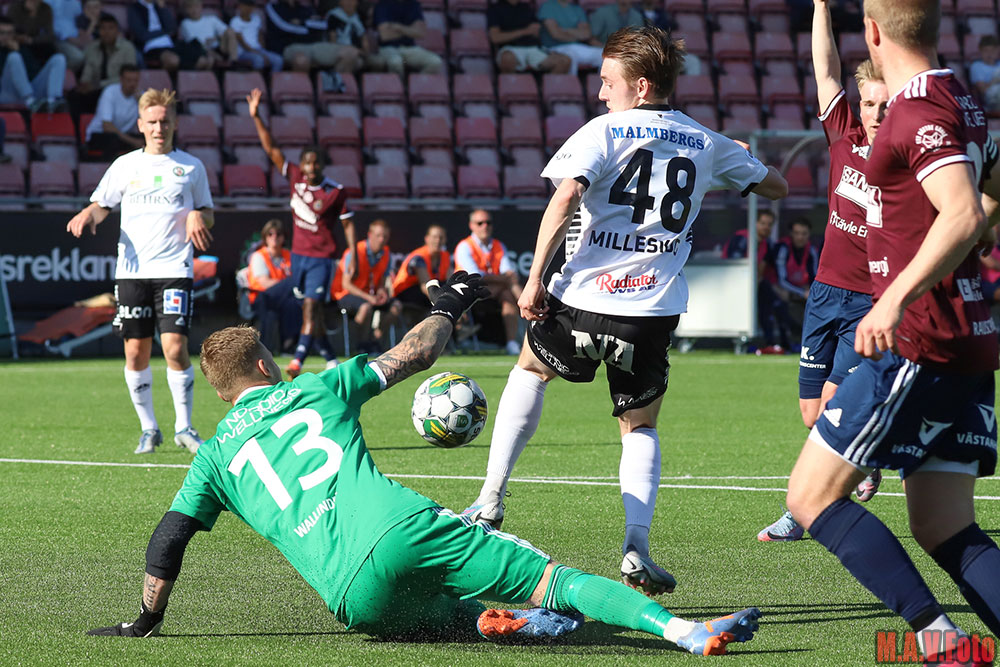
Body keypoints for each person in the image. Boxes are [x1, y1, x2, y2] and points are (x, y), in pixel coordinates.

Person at [85, 275, 761, 656]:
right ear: (263, 366)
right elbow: (415, 353)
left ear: (221, 392)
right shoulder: (315, 386)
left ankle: (490, 622)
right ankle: (683, 631)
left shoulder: (213, 457)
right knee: (554, 578)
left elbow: (168, 539)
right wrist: (448, 304)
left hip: (349, 595)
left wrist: (145, 620)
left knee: (421, 614)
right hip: (400, 527)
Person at [462, 25, 788, 597]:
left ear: (640, 86)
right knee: (639, 426)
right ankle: (636, 547)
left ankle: (489, 500)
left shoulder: (603, 130)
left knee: (531, 372)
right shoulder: (705, 140)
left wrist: (535, 278)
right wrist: (736, 159)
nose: (600, 93)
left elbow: (566, 195)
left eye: (607, 81)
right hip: (650, 313)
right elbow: (778, 187)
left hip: (582, 299)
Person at [785, 0, 1000, 661]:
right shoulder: (961, 98)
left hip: (919, 338)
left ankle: (940, 643)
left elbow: (962, 212)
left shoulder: (915, 110)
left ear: (873, 32)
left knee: (810, 498)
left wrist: (894, 299)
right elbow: (989, 189)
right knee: (944, 525)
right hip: (965, 335)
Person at [758, 0, 889, 543]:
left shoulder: (907, 160)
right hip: (825, 294)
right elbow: (826, 68)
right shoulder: (843, 135)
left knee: (833, 406)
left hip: (868, 302)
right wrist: (819, 5)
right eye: (868, 103)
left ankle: (804, 508)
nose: (875, 112)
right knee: (811, 412)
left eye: (885, 104)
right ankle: (869, 452)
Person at [66, 87, 215, 456]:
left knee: (175, 348)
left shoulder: (191, 167)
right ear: (140, 125)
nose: (159, 128)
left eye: (165, 121)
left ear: (174, 123)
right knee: (136, 352)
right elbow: (102, 204)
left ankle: (184, 427)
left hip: (174, 269)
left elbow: (207, 212)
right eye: (152, 122)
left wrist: (198, 215)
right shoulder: (125, 165)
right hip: (132, 272)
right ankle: (149, 429)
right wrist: (87, 214)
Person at [247, 87, 357, 379]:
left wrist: (353, 256)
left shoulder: (335, 191)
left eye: (315, 162)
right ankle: (331, 360)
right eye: (306, 162)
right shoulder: (295, 178)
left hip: (322, 258)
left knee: (310, 306)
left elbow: (348, 224)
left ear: (322, 165)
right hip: (298, 257)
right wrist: (256, 116)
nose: (310, 167)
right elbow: (272, 150)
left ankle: (297, 360)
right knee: (311, 311)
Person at [454, 209, 523, 356]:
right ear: (471, 225)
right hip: (469, 294)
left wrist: (504, 278)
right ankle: (527, 305)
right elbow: (474, 276)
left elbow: (508, 271)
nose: (485, 226)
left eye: (488, 222)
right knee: (509, 286)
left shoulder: (498, 245)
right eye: (480, 223)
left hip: (494, 292)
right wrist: (503, 278)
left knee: (507, 294)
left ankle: (511, 342)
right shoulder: (464, 246)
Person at [722, 210, 790, 355]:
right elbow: (734, 265)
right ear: (755, 223)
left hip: (755, 286)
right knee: (767, 297)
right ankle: (766, 342)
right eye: (763, 223)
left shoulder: (767, 244)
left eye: (770, 224)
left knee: (776, 301)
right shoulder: (742, 239)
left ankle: (776, 343)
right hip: (732, 284)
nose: (766, 227)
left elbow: (765, 270)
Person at [332, 218, 401, 354]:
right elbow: (346, 284)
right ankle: (359, 345)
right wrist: (369, 297)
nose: (381, 240)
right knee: (366, 308)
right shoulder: (355, 252)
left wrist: (381, 292)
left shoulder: (386, 253)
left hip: (369, 295)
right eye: (378, 235)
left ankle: (375, 340)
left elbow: (382, 281)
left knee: (396, 306)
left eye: (385, 236)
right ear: (370, 235)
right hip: (345, 294)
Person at [247, 218, 301, 354]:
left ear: (283, 237)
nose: (274, 237)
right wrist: (288, 283)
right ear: (265, 237)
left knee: (292, 304)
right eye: (270, 234)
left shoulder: (288, 255)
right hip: (262, 297)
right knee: (295, 281)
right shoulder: (259, 256)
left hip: (283, 298)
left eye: (278, 234)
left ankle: (288, 346)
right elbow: (264, 282)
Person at [0, 15, 67, 112]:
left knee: (59, 58)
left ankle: (54, 101)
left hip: (31, 92)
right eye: (2, 33)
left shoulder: (20, 47)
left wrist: (18, 50)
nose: (6, 37)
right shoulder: (14, 53)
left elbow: (34, 72)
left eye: (10, 33)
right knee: (14, 57)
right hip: (7, 93)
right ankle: (29, 100)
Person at [488, 0, 571, 75]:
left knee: (564, 61)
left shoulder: (526, 7)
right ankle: (512, 86)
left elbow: (536, 31)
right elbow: (495, 38)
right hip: (511, 49)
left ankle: (546, 86)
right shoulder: (495, 9)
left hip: (533, 48)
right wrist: (525, 31)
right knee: (507, 59)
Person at [75, 13, 138, 112]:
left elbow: (130, 77)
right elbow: (88, 69)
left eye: (111, 28)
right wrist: (84, 84)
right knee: (75, 95)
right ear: (98, 31)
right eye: (103, 28)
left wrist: (99, 84)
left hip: (118, 89)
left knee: (105, 93)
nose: (107, 32)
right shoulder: (92, 47)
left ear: (117, 31)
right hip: (95, 89)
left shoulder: (127, 48)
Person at [264, 0, 346, 73]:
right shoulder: (272, 7)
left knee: (348, 53)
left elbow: (324, 25)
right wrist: (309, 28)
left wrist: (303, 22)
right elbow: (285, 26)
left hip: (312, 46)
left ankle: (335, 83)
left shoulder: (305, 8)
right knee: (301, 60)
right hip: (287, 47)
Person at [85, 63, 142, 159]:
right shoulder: (110, 92)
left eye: (135, 80)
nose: (132, 84)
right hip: (99, 135)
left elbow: (147, 124)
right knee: (112, 139)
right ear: (121, 79)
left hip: (123, 137)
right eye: (129, 80)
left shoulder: (140, 96)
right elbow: (107, 126)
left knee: (147, 140)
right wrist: (133, 141)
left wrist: (142, 104)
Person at [372, 0, 443, 75]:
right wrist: (410, 30)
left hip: (410, 48)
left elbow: (420, 33)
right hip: (388, 48)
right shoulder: (382, 5)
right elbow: (385, 35)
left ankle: (416, 82)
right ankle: (397, 83)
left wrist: (398, 27)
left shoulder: (413, 4)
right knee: (395, 62)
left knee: (435, 62)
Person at [391, 223, 451, 311]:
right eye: (434, 237)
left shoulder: (445, 256)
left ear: (445, 240)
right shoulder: (419, 257)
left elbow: (450, 280)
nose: (438, 241)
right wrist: (445, 303)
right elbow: (425, 286)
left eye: (441, 237)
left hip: (427, 291)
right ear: (427, 239)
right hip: (405, 292)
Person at [537, 0, 603, 75]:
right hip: (553, 48)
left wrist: (564, 30)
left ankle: (600, 82)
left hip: (578, 47)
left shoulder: (577, 8)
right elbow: (556, 34)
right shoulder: (548, 6)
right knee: (570, 56)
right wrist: (577, 34)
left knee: (606, 54)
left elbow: (586, 34)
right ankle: (570, 82)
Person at [178, 0, 238, 68]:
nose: (194, 10)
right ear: (186, 10)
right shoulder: (185, 23)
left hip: (218, 48)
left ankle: (233, 63)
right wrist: (207, 47)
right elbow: (193, 44)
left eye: (196, 6)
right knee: (207, 57)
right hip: (201, 51)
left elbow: (227, 31)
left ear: (201, 7)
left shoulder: (212, 19)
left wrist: (215, 38)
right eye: (190, 7)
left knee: (230, 32)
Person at [230, 0, 283, 71]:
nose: (247, 8)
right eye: (244, 6)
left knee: (278, 60)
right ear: (240, 7)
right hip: (242, 52)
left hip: (258, 50)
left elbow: (260, 37)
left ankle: (272, 78)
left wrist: (263, 51)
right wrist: (260, 54)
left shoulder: (256, 19)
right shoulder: (235, 21)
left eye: (249, 6)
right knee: (259, 60)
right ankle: (257, 78)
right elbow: (242, 42)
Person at [46, 0, 86, 72]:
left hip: (76, 38)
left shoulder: (76, 2)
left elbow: (78, 20)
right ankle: (59, 75)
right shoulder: (49, 1)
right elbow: (51, 25)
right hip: (58, 39)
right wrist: (68, 38)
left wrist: (81, 35)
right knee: (77, 57)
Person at [969, 35, 1000, 113]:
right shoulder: (976, 66)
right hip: (990, 100)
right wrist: (995, 80)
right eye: (986, 51)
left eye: (992, 50)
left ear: (998, 50)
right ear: (980, 51)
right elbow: (983, 90)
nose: (989, 54)